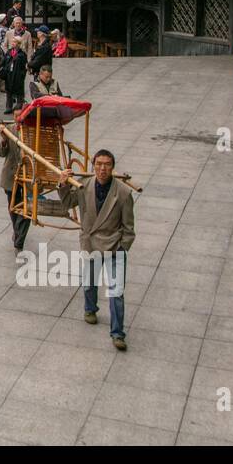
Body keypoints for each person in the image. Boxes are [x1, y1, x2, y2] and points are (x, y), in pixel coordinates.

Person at [55, 150, 136, 351]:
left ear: (112, 167)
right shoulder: (83, 186)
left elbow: (129, 228)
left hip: (114, 247)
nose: (102, 168)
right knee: (90, 282)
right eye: (99, 164)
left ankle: (117, 333)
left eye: (107, 164)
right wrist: (63, 184)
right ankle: (90, 308)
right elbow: (67, 204)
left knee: (116, 292)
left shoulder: (124, 193)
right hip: (91, 244)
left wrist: (121, 248)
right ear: (93, 166)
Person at [0, 128, 30, 253]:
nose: (18, 119)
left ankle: (19, 241)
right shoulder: (9, 129)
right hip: (11, 176)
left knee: (28, 209)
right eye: (15, 116)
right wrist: (4, 141)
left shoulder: (32, 129)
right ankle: (17, 231)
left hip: (28, 176)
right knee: (13, 206)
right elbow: (1, 153)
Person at [0, 37, 28, 114]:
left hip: (18, 75)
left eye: (14, 42)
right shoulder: (9, 52)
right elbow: (3, 61)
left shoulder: (22, 54)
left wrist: (22, 74)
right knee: (8, 91)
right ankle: (9, 107)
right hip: (9, 74)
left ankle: (19, 106)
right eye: (12, 42)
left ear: (19, 43)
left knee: (19, 91)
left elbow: (24, 66)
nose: (12, 43)